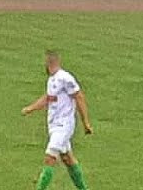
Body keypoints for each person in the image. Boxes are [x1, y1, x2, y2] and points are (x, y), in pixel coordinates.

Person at [22, 50, 93, 190]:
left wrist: (85, 122)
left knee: (50, 158)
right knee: (68, 159)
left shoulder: (65, 78)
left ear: (50, 63)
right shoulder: (52, 80)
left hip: (63, 125)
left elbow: (79, 97)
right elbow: (48, 98)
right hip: (54, 126)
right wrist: (31, 108)